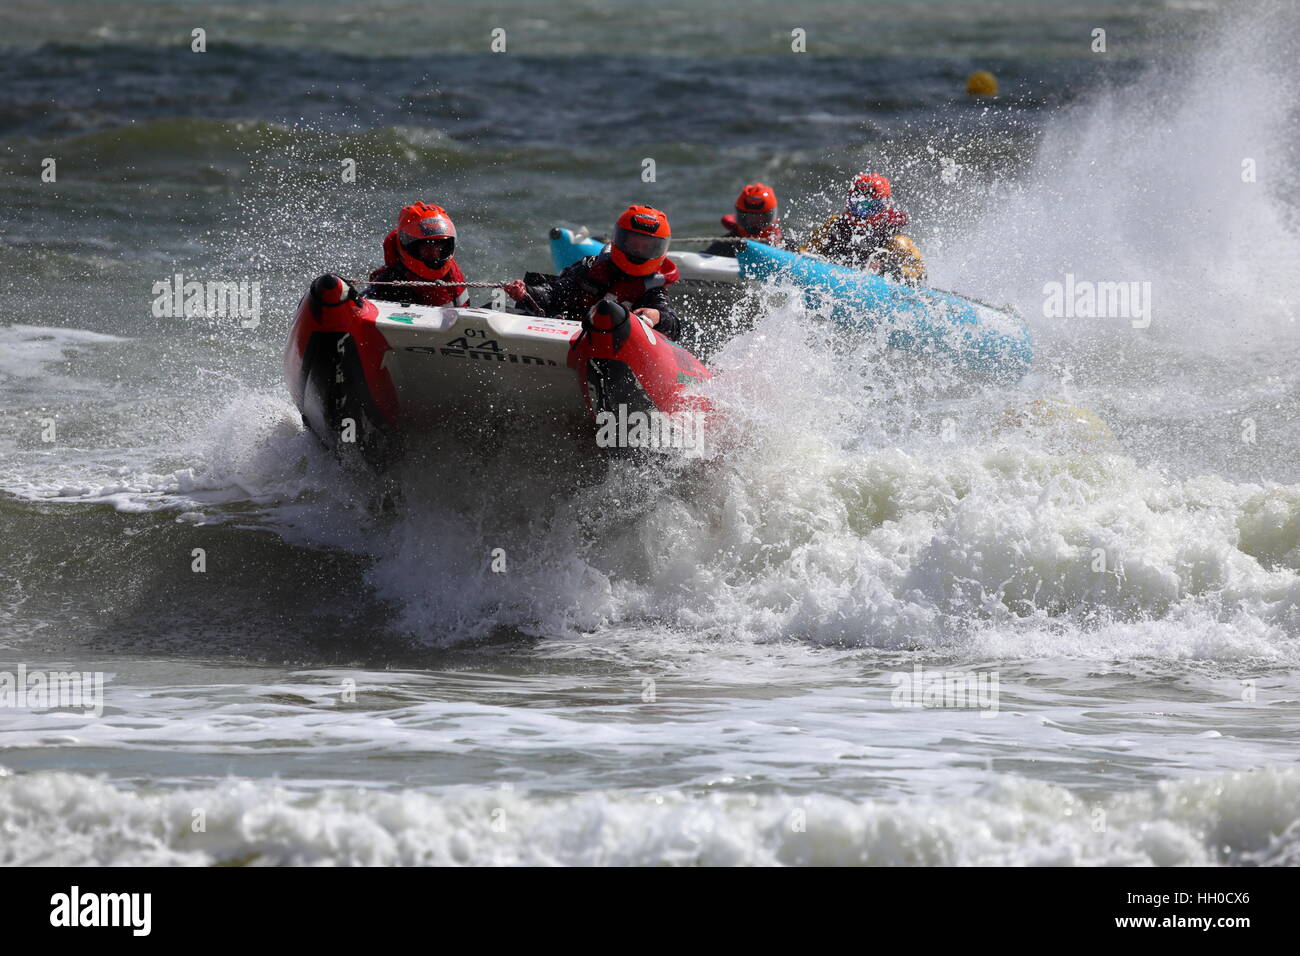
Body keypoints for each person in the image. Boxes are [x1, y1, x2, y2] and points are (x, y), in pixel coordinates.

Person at [504, 205, 684, 341]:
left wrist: (657, 316)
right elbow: (554, 292)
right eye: (633, 244)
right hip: (564, 332)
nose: (637, 251)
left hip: (612, 345)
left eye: (646, 247)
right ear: (619, 239)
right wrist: (526, 292)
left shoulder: (653, 289)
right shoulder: (591, 267)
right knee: (495, 308)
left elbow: (674, 327)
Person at [801, 173, 927, 284]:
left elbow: (920, 274)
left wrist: (888, 268)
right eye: (858, 205)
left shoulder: (897, 241)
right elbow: (805, 252)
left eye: (870, 207)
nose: (862, 214)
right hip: (832, 280)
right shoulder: (834, 224)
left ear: (884, 206)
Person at [364, 202, 469, 307]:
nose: (434, 252)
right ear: (411, 246)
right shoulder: (390, 284)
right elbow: (361, 309)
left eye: (439, 244)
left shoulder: (449, 269)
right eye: (427, 245)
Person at [704, 182, 788, 256]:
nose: (754, 222)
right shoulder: (727, 243)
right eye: (750, 217)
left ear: (771, 216)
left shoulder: (784, 243)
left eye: (760, 218)